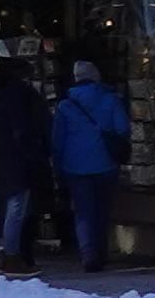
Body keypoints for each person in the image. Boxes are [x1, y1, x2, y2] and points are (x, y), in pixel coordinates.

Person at [50, 57, 134, 270]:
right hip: (106, 164)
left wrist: (57, 166)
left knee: (83, 212)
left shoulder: (65, 106)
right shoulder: (111, 99)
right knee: (103, 211)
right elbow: (123, 129)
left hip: (75, 166)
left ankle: (89, 255)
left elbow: (57, 141)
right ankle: (102, 251)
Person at [0, 56, 53, 270]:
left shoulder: (0, 97)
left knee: (15, 205)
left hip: (6, 158)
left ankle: (11, 251)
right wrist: (33, 152)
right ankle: (11, 254)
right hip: (19, 159)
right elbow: (21, 131)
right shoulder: (19, 96)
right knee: (18, 205)